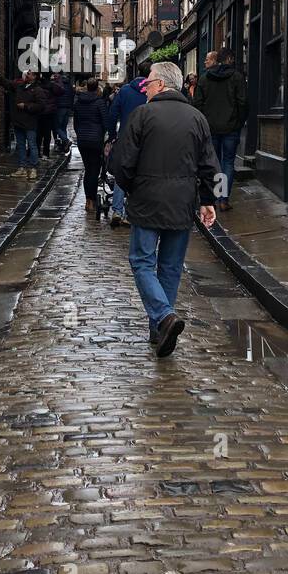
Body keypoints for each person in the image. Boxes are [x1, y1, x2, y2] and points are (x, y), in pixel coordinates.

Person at [113, 61, 218, 358]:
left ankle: (163, 317)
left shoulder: (142, 115)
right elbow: (210, 166)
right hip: (182, 202)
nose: (144, 89)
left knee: (142, 262)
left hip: (146, 201)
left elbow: (122, 162)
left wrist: (133, 188)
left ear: (159, 85)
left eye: (147, 84)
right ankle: (159, 329)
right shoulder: (197, 118)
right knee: (170, 267)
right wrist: (208, 200)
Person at [194, 46, 248, 212]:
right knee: (228, 163)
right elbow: (243, 103)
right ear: (229, 60)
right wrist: (238, 123)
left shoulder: (204, 79)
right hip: (231, 127)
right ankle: (223, 199)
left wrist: (204, 124)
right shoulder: (237, 77)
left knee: (215, 163)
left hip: (211, 128)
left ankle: (216, 197)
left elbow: (197, 104)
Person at [106, 74, 147, 229]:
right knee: (140, 174)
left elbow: (112, 114)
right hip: (145, 138)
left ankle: (117, 210)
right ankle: (131, 213)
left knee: (122, 173)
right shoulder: (151, 90)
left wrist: (112, 135)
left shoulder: (125, 91)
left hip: (125, 137)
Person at [0, 67, 46, 179]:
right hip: (18, 122)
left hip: (30, 123)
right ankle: (22, 168)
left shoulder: (38, 90)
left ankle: (33, 169)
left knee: (32, 145)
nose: (27, 75)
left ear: (34, 77)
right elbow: (6, 83)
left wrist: (26, 106)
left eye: (29, 74)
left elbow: (41, 106)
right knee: (21, 145)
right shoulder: (19, 86)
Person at [72, 79, 108, 215]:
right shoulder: (99, 102)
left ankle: (88, 200)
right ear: (97, 88)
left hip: (82, 139)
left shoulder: (78, 102)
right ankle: (92, 200)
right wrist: (106, 136)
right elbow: (106, 121)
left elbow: (76, 122)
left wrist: (80, 133)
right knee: (94, 169)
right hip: (96, 139)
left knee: (88, 169)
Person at [37, 73, 61, 161]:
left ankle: (37, 152)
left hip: (39, 111)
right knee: (47, 134)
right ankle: (46, 154)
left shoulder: (38, 85)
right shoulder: (53, 86)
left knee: (38, 134)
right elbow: (61, 91)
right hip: (49, 112)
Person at [51, 71, 75, 153]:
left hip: (59, 107)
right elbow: (72, 95)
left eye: (55, 75)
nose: (54, 76)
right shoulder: (69, 84)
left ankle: (66, 141)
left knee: (56, 127)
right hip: (67, 107)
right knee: (63, 127)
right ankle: (64, 147)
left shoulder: (57, 84)